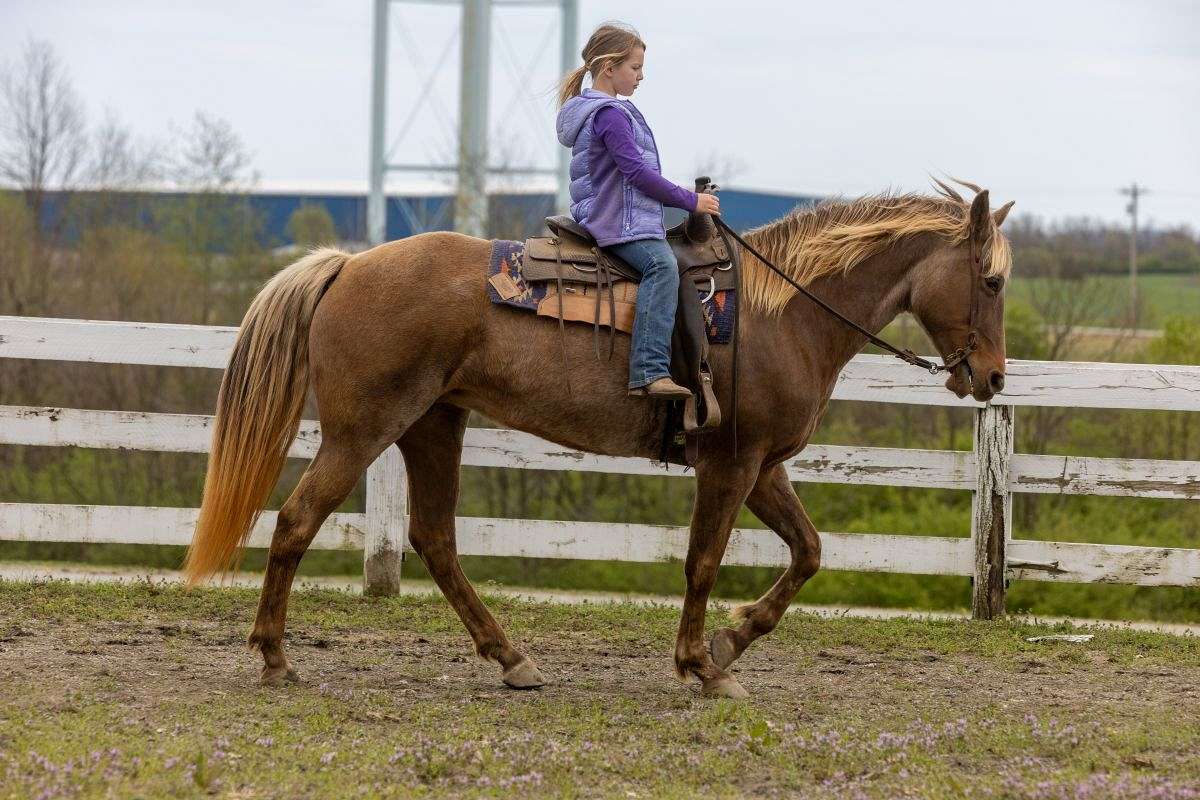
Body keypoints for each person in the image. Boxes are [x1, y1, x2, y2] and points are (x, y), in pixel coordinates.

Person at [554, 22, 721, 398]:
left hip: (617, 216)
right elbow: (637, 175)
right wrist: (692, 201)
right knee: (662, 266)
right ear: (609, 68)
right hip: (618, 222)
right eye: (635, 68)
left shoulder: (604, 112)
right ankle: (648, 370)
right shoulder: (610, 115)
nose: (641, 76)